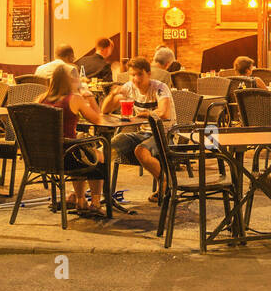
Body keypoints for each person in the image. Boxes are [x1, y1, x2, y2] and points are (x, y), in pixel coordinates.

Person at [102, 57, 175, 201]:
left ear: (148, 74)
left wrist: (147, 114)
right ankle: (98, 193)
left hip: (164, 133)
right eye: (132, 75)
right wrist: (112, 94)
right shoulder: (129, 87)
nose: (136, 78)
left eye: (139, 74)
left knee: (140, 151)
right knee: (108, 147)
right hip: (142, 133)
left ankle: (164, 181)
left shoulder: (159, 88)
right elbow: (105, 110)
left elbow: (164, 113)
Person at [38, 64, 107, 215]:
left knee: (81, 149)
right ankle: (95, 203)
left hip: (44, 157)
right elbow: (98, 119)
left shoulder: (41, 99)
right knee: (99, 155)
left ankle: (81, 200)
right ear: (70, 81)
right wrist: (89, 97)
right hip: (67, 156)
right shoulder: (74, 99)